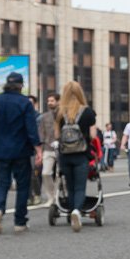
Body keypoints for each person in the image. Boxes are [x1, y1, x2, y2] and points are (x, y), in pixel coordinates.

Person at [0, 72, 42, 234]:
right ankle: (19, 221)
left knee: (2, 183)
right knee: (23, 185)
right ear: (21, 85)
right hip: (20, 150)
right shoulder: (24, 102)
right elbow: (31, 128)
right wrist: (38, 148)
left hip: (0, 150)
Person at [53, 81, 97, 233]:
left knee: (70, 186)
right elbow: (93, 135)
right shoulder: (88, 112)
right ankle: (77, 211)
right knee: (80, 187)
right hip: (82, 154)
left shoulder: (60, 112)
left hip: (65, 155)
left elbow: (56, 135)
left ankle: (71, 211)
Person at [37, 94, 60, 205]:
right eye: (48, 101)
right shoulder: (44, 117)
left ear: (58, 101)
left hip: (62, 149)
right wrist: (40, 152)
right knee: (45, 173)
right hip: (47, 148)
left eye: (52, 100)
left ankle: (58, 196)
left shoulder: (64, 114)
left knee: (60, 175)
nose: (49, 103)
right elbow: (41, 134)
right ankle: (50, 197)